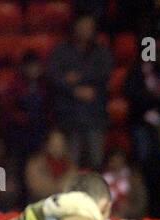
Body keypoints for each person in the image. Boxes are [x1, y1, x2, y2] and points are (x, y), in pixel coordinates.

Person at [46, 13, 113, 168]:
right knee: (71, 163)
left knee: (97, 161)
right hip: (69, 114)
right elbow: (54, 76)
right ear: (75, 26)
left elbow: (104, 74)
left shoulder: (101, 51)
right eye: (82, 25)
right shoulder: (61, 50)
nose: (86, 30)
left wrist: (78, 78)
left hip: (94, 113)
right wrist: (73, 90)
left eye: (89, 26)